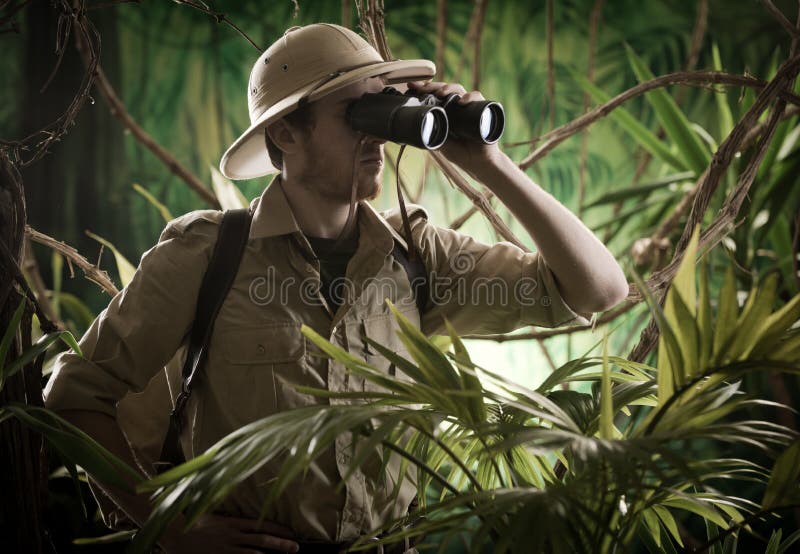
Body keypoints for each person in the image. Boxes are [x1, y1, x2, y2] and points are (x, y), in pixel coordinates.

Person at [44, 22, 629, 554]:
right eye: (357, 114)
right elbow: (75, 395)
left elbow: (597, 291)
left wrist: (488, 164)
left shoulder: (418, 258)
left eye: (384, 113)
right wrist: (167, 525)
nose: (376, 137)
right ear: (286, 136)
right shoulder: (208, 255)